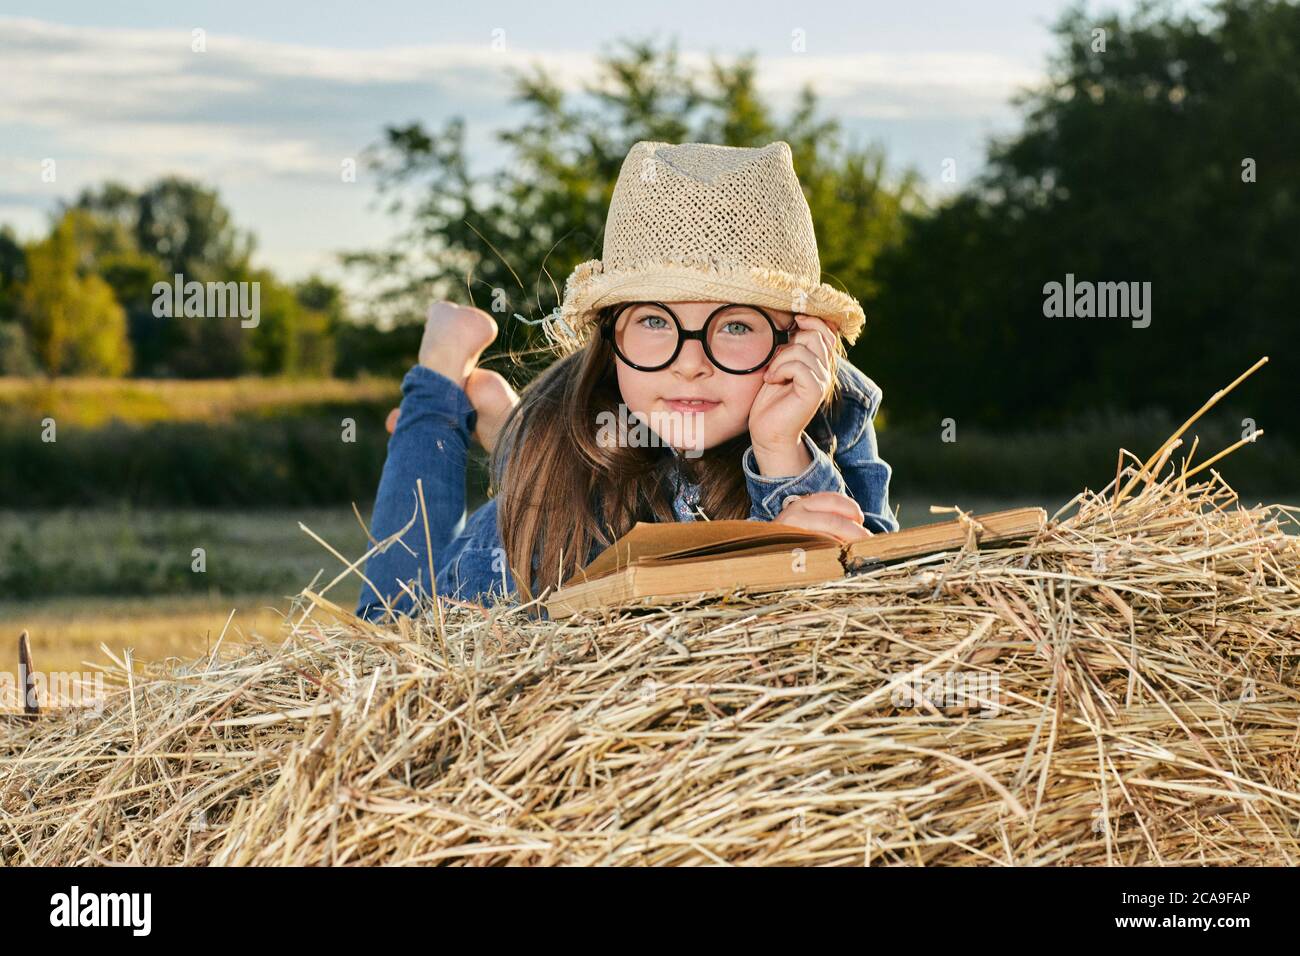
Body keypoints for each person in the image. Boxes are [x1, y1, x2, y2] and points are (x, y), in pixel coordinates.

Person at [356, 140, 899, 621]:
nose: (690, 363)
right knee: (388, 615)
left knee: (550, 448)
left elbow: (875, 608)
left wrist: (783, 453)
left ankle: (510, 432)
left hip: (598, 433)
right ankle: (442, 382)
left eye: (735, 325)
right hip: (568, 477)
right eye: (656, 321)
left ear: (800, 340)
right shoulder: (533, 524)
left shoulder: (832, 413)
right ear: (611, 333)